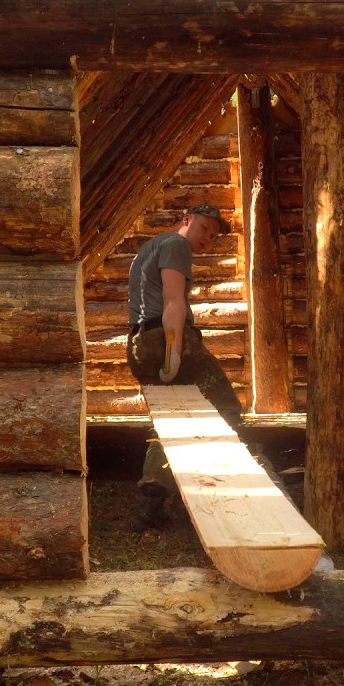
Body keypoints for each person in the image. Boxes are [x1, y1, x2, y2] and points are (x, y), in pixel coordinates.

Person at [127, 203, 244, 529]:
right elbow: (173, 301)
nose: (209, 236)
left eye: (215, 234)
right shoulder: (176, 244)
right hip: (163, 339)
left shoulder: (150, 248)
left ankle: (154, 504)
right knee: (226, 408)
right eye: (205, 227)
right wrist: (175, 351)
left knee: (168, 420)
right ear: (187, 219)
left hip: (137, 345)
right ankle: (213, 492)